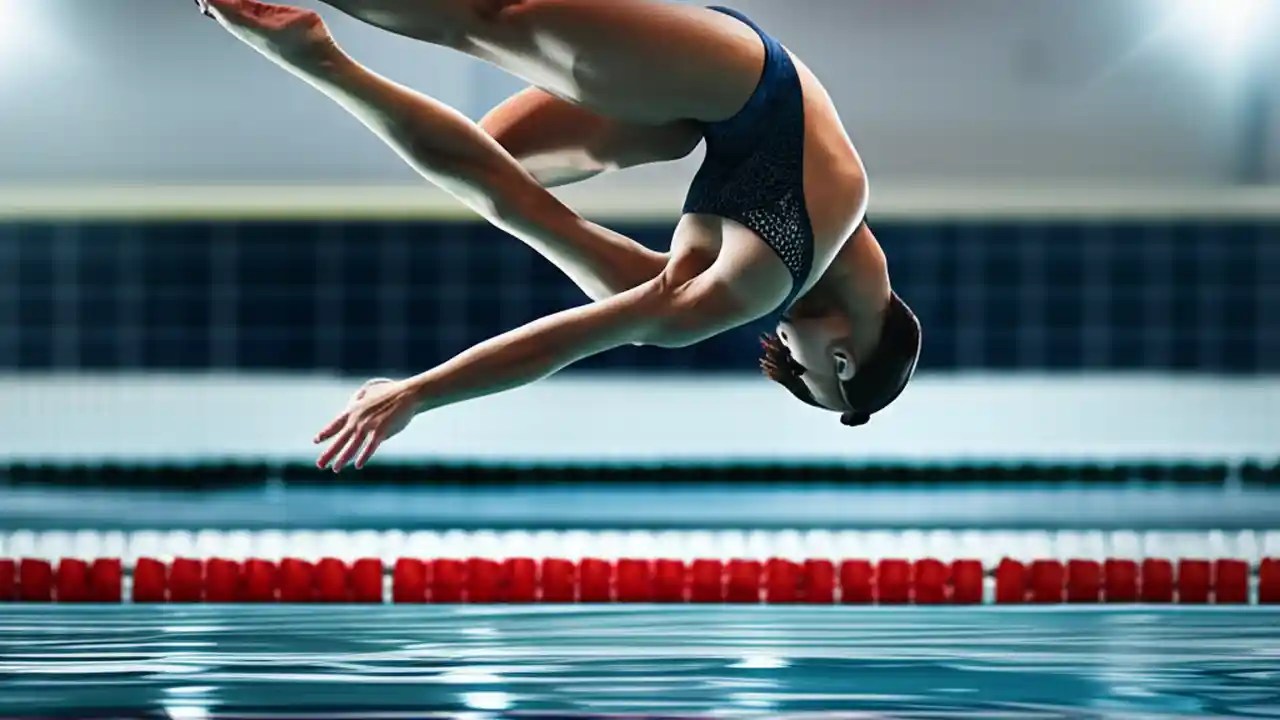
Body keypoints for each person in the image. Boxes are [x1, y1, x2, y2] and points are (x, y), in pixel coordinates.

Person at [192, 0, 922, 473]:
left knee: (494, 174)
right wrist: (419, 393)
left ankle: (318, 58)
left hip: (718, 106)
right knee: (484, 16)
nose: (787, 361)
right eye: (811, 379)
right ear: (843, 360)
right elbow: (562, 343)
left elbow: (603, 298)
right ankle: (317, 58)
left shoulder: (812, 259)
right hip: (741, 81)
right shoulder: (773, 273)